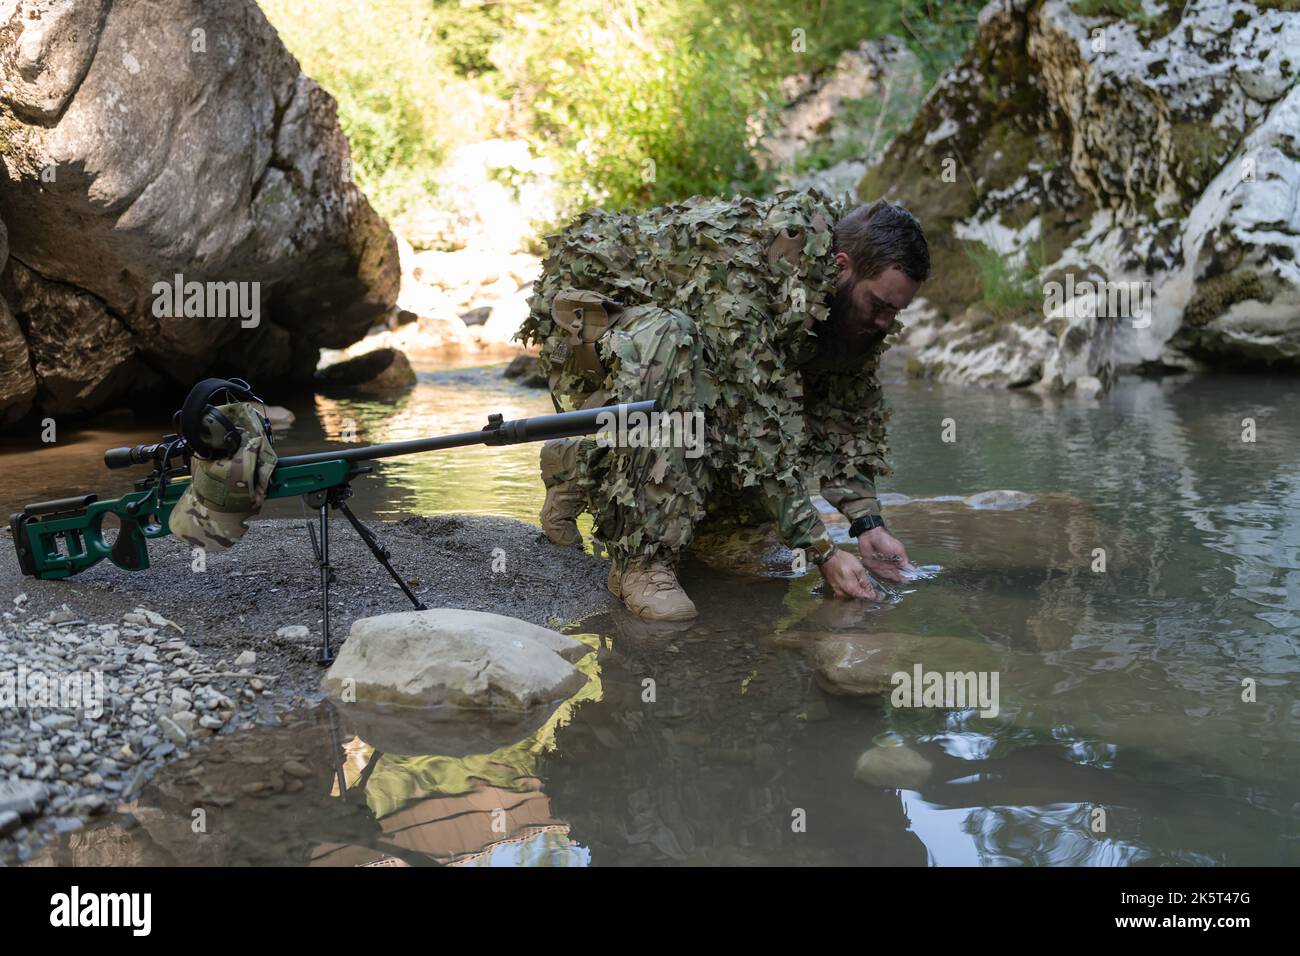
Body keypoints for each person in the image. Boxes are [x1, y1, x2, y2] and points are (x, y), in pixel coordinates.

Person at [519, 190, 928, 621]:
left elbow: (847, 418)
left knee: (738, 545)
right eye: (879, 306)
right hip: (591, 318)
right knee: (671, 341)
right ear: (842, 266)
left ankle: (582, 466)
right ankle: (641, 563)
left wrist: (868, 525)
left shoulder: (843, 306)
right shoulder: (748, 275)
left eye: (895, 312)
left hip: (697, 359)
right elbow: (752, 426)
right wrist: (823, 551)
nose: (885, 322)